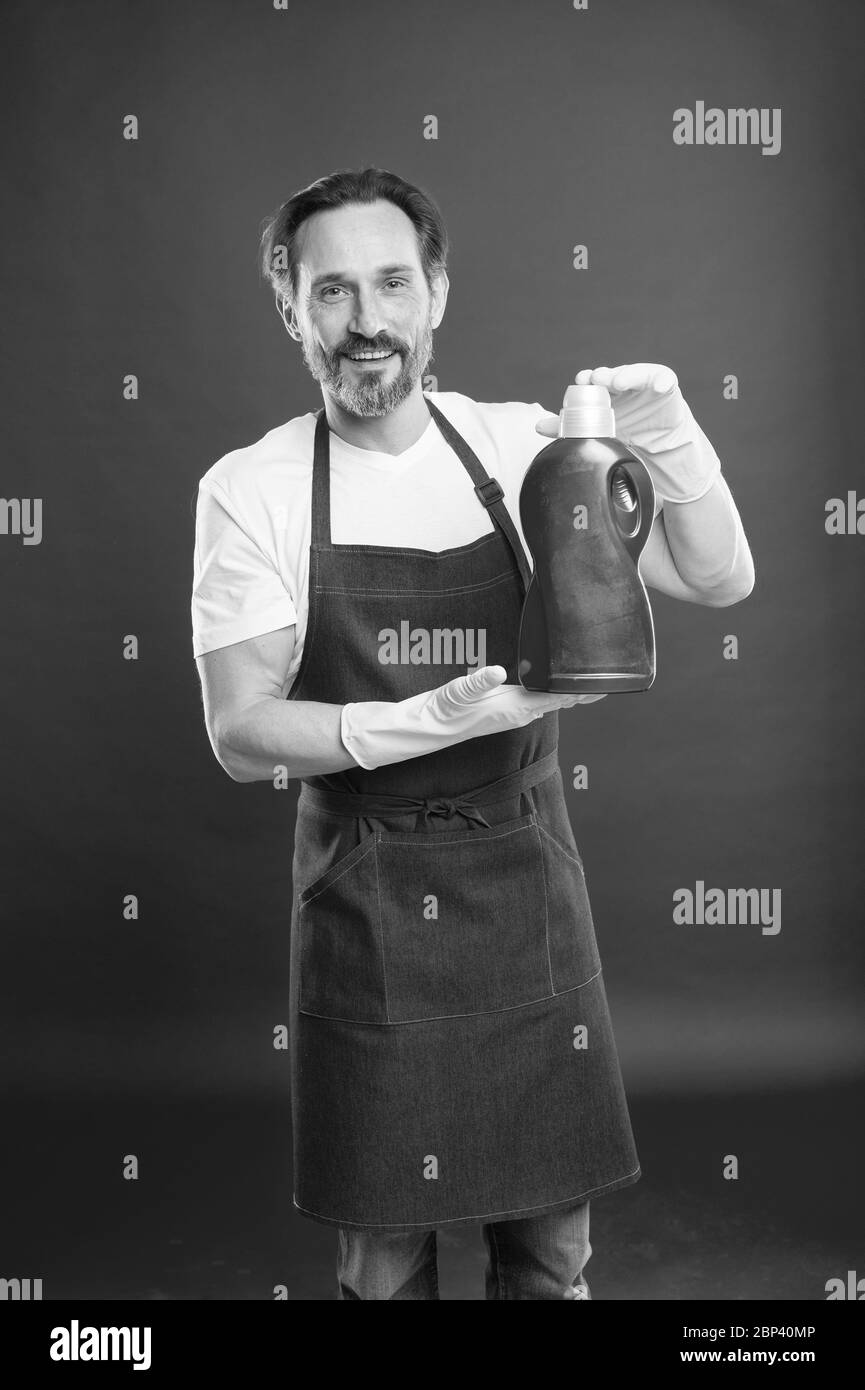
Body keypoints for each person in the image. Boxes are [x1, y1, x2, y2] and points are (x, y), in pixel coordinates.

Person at [191, 166, 755, 1301]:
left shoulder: (522, 451)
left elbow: (719, 577)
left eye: (392, 283)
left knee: (550, 1252)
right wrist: (408, 723)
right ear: (291, 308)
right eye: (333, 290)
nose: (367, 321)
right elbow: (241, 731)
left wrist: (673, 437)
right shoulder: (250, 488)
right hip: (367, 900)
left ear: (436, 293)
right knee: (386, 1252)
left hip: (523, 891)